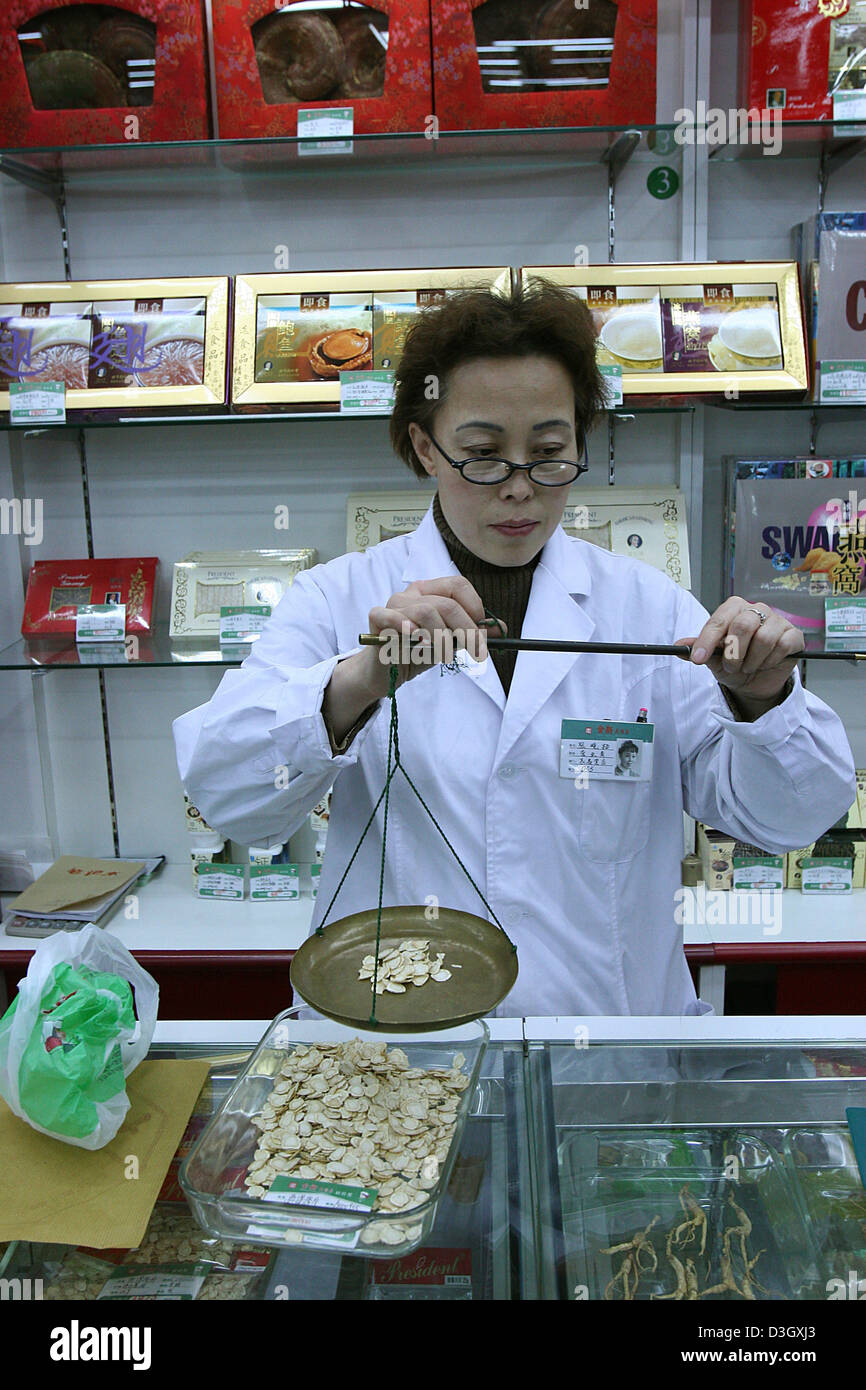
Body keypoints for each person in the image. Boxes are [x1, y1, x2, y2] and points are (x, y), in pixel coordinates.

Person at [172, 279, 856, 1017]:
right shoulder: (335, 600)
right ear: (424, 447)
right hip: (401, 1047)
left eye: (550, 453)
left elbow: (790, 818)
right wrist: (360, 681)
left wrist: (765, 700)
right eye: (484, 454)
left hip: (603, 1047)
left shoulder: (644, 606)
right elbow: (230, 797)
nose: (520, 488)